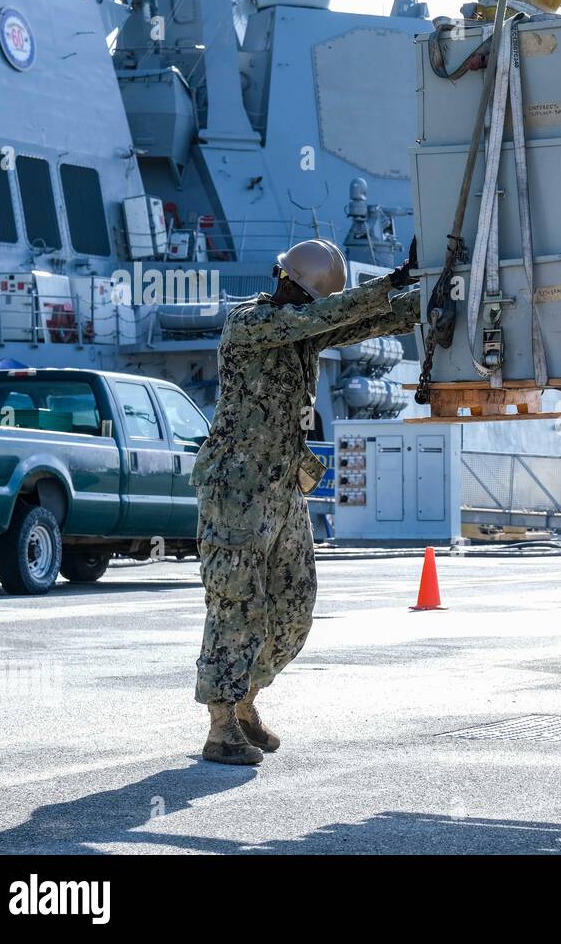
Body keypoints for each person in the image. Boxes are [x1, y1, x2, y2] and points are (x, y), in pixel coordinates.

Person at [193, 238, 419, 765]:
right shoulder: (250, 323)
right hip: (237, 492)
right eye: (307, 295)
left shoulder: (303, 331)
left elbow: (356, 324)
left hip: (282, 491)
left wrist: (422, 298)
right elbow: (329, 316)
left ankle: (247, 698)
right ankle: (220, 723)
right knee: (236, 603)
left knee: (296, 605)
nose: (309, 304)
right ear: (285, 281)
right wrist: (388, 285)